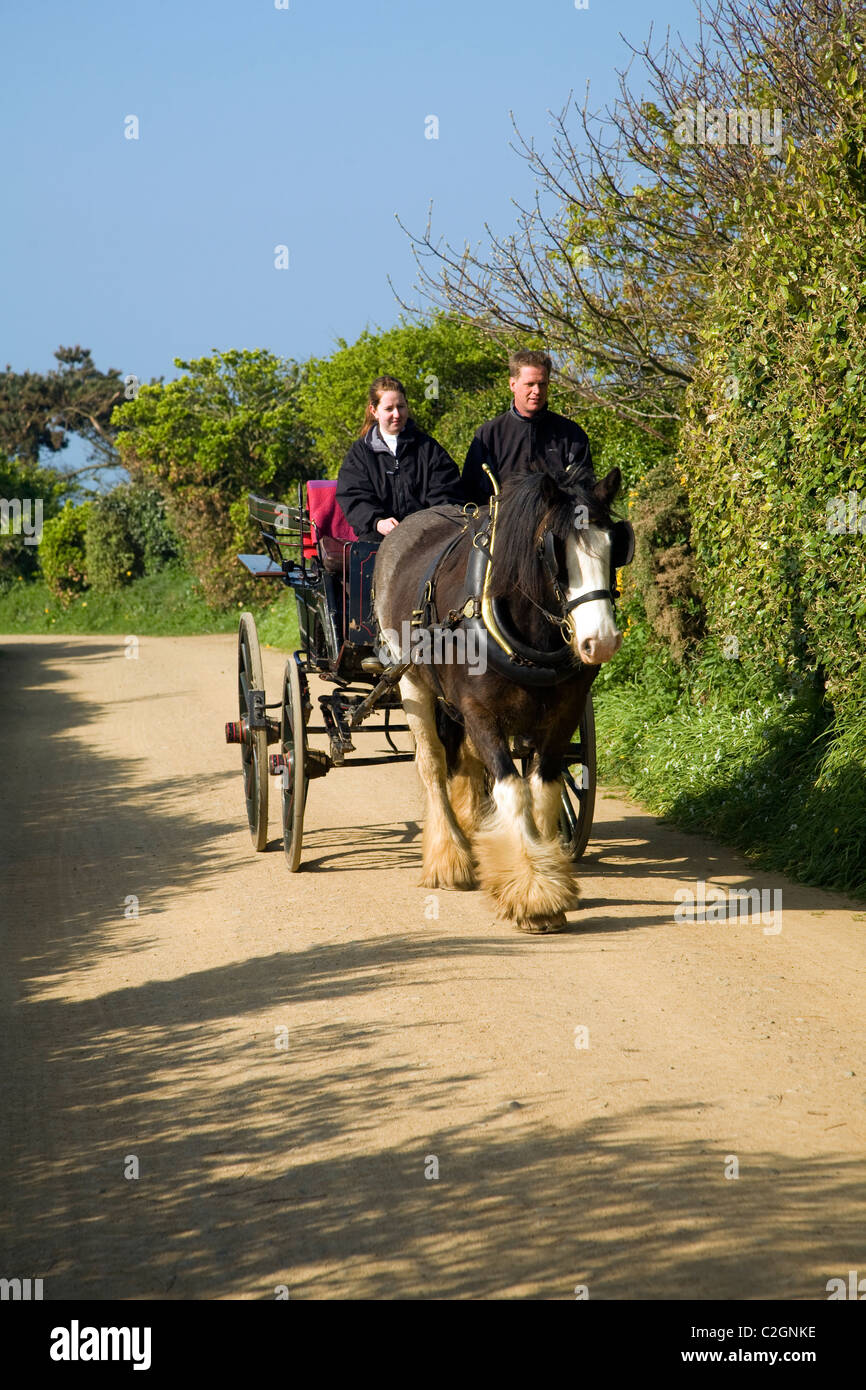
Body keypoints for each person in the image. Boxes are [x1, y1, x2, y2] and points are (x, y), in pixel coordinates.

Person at [336, 376, 464, 543]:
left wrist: (425, 523)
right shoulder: (360, 454)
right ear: (374, 411)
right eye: (389, 408)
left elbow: (446, 493)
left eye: (401, 407)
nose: (397, 414)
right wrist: (377, 522)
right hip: (377, 539)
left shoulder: (429, 448)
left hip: (427, 538)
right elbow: (353, 496)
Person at [461, 349, 595, 503]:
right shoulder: (488, 435)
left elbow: (585, 494)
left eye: (542, 384)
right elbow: (470, 496)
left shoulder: (572, 435)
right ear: (512, 384)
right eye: (530, 384)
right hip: (502, 523)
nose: (536, 391)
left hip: (557, 523)